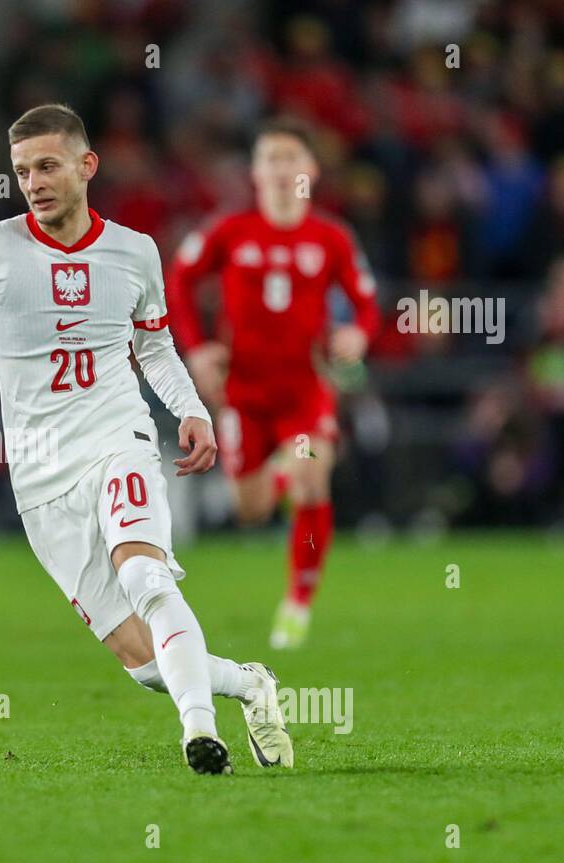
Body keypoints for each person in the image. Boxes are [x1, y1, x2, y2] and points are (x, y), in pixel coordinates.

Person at [0, 104, 292, 774]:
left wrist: (191, 410)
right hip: (40, 479)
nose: (34, 181)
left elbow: (155, 345)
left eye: (49, 165)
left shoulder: (134, 250)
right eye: (23, 170)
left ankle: (199, 733)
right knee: (145, 665)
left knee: (146, 573)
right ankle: (249, 683)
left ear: (87, 166)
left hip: (119, 440)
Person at [168, 118, 380, 650]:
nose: (282, 169)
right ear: (256, 171)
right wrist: (196, 347)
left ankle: (298, 603)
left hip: (305, 391)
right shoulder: (230, 231)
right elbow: (180, 279)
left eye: (291, 158)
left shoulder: (330, 237)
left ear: (310, 170)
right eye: (271, 158)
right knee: (251, 509)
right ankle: (281, 472)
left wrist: (358, 332)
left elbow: (367, 301)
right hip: (242, 395)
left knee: (313, 477)